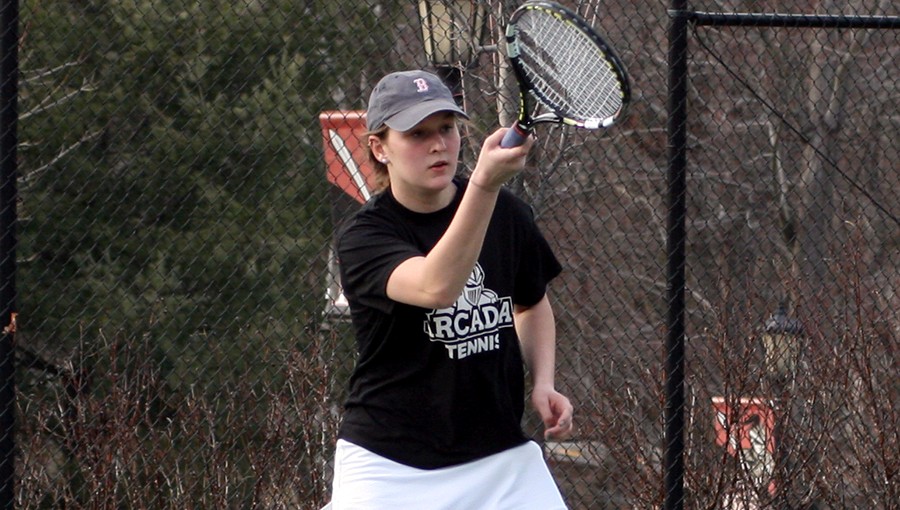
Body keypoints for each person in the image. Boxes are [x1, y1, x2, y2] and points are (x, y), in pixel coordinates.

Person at [328, 69, 574, 510]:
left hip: (500, 459)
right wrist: (483, 185)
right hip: (390, 464)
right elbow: (436, 287)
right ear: (379, 147)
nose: (438, 144)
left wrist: (543, 381)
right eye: (417, 133)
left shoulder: (508, 213)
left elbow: (531, 302)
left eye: (446, 128)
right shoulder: (364, 236)